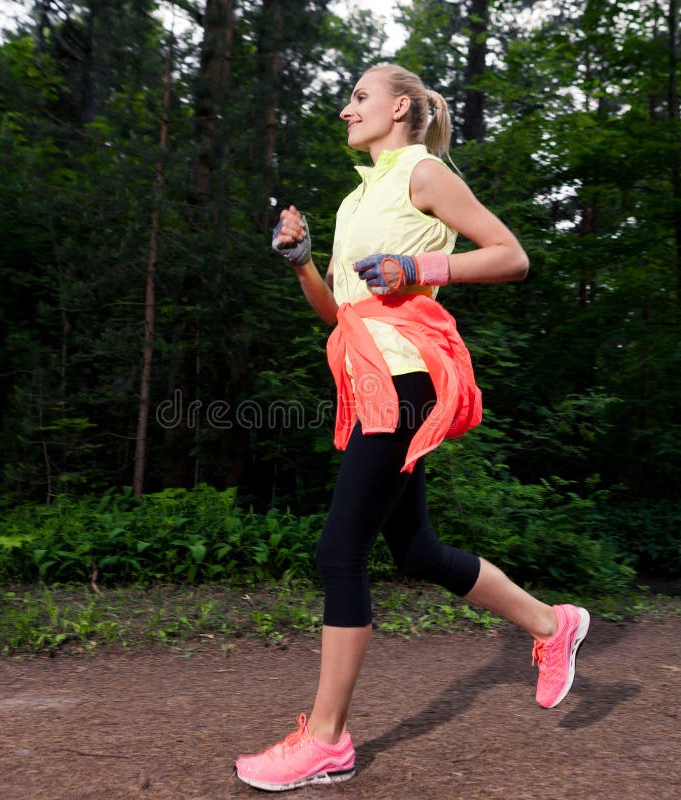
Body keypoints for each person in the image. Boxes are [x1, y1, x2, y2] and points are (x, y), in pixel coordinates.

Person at [234, 63, 589, 793]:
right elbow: (341, 315)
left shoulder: (423, 174)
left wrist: (419, 264)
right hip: (369, 379)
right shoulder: (357, 196)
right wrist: (301, 263)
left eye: (358, 96)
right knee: (417, 549)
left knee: (340, 553)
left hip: (407, 381)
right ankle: (553, 627)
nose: (344, 110)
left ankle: (327, 741)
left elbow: (512, 256)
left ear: (401, 106)